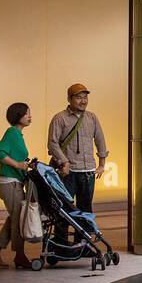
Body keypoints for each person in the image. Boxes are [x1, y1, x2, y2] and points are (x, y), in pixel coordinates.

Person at [47, 83, 108, 248]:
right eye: (79, 97)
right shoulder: (60, 118)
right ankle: (61, 244)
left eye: (85, 97)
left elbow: (100, 140)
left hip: (88, 172)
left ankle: (84, 244)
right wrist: (63, 161)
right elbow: (52, 144)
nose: (83, 101)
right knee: (63, 208)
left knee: (86, 210)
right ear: (69, 99)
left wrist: (102, 163)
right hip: (68, 172)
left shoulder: (92, 117)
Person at [0, 102, 35, 270]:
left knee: (16, 217)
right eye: (27, 113)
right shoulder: (12, 133)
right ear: (18, 116)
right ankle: (20, 255)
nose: (30, 116)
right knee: (19, 219)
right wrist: (17, 164)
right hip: (9, 183)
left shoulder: (18, 135)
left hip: (13, 182)